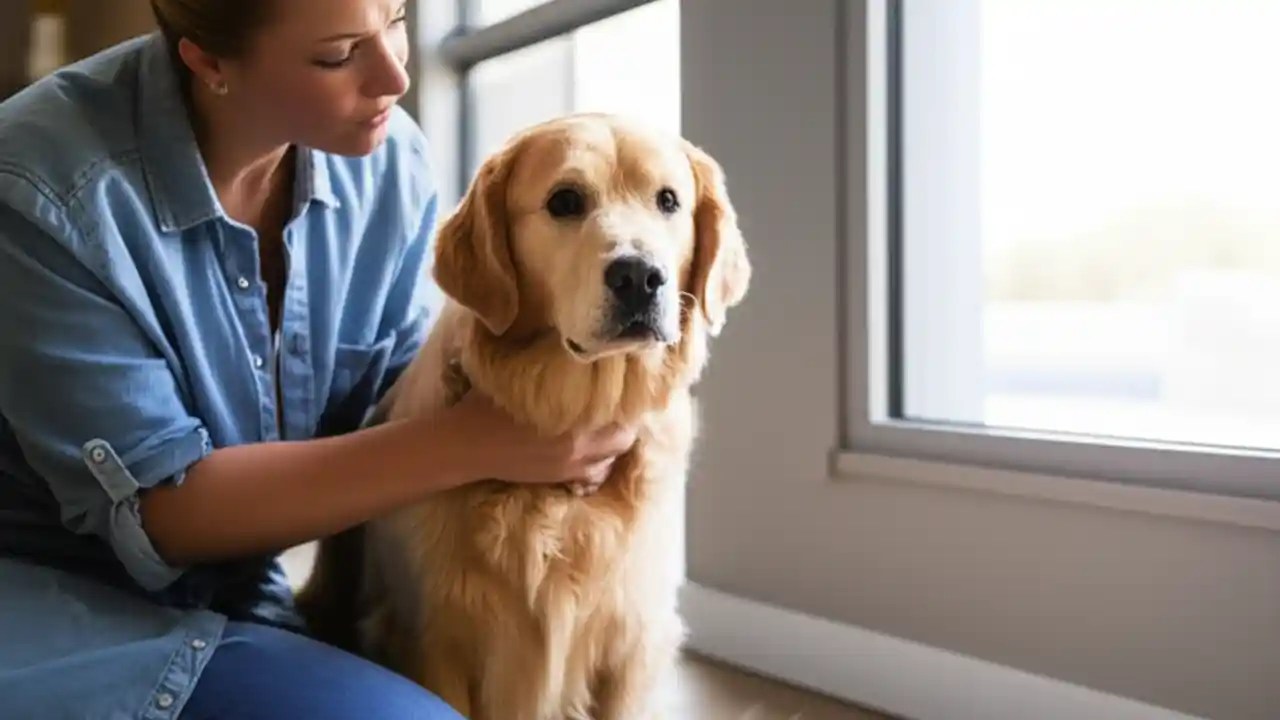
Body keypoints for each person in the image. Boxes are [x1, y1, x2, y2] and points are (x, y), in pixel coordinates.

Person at [0, 1, 638, 718]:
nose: (396, 75)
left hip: (239, 596)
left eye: (396, 16)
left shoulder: (390, 163)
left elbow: (393, 404)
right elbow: (165, 511)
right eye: (337, 55)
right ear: (209, 63)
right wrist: (482, 439)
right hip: (57, 607)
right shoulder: (38, 185)